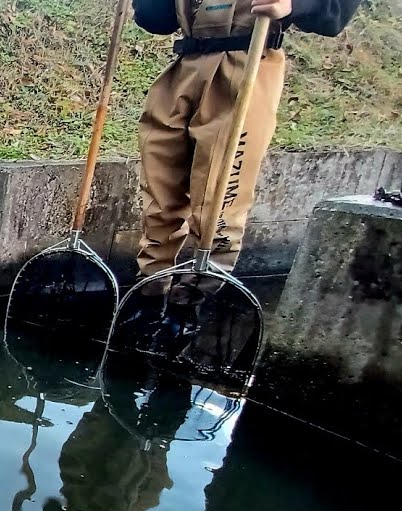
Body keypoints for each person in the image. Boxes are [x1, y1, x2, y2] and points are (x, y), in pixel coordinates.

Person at [124, 0, 362, 348]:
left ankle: (186, 308)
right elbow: (155, 19)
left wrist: (295, 5)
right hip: (186, 66)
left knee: (219, 200)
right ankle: (149, 293)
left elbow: (335, 13)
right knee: (160, 191)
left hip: (247, 64)